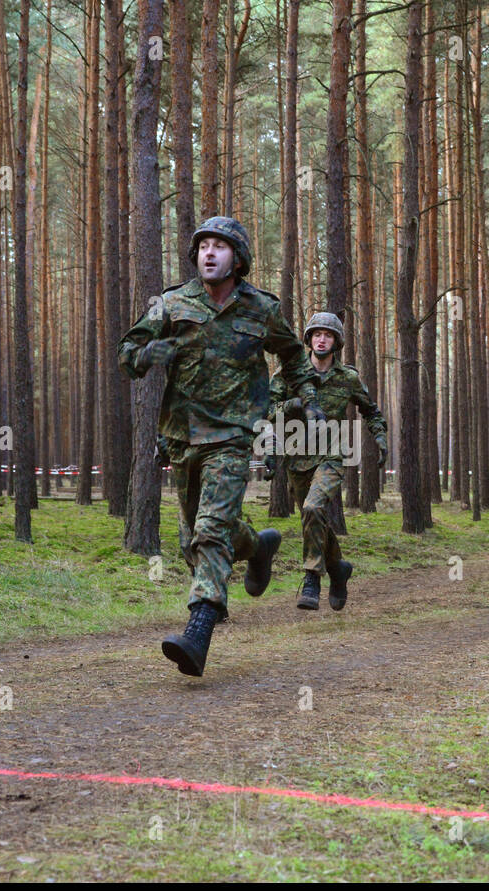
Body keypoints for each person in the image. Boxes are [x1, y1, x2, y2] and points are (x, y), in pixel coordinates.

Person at [118, 216, 324, 677]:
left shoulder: (261, 309)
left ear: (239, 259)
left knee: (210, 530)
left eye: (220, 246)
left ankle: (200, 628)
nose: (208, 253)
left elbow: (293, 356)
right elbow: (128, 352)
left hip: (232, 436)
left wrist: (309, 401)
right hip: (181, 437)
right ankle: (256, 546)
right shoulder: (171, 303)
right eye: (203, 246)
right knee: (195, 538)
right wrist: (145, 356)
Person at [266, 312, 386, 611]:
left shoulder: (347, 377)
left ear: (336, 342)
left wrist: (380, 436)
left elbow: (369, 410)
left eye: (328, 335)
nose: (322, 339)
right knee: (312, 518)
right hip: (296, 458)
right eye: (317, 334)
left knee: (313, 507)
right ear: (308, 339)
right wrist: (293, 405)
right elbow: (266, 409)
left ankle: (311, 578)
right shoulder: (289, 373)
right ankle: (338, 569)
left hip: (331, 454)